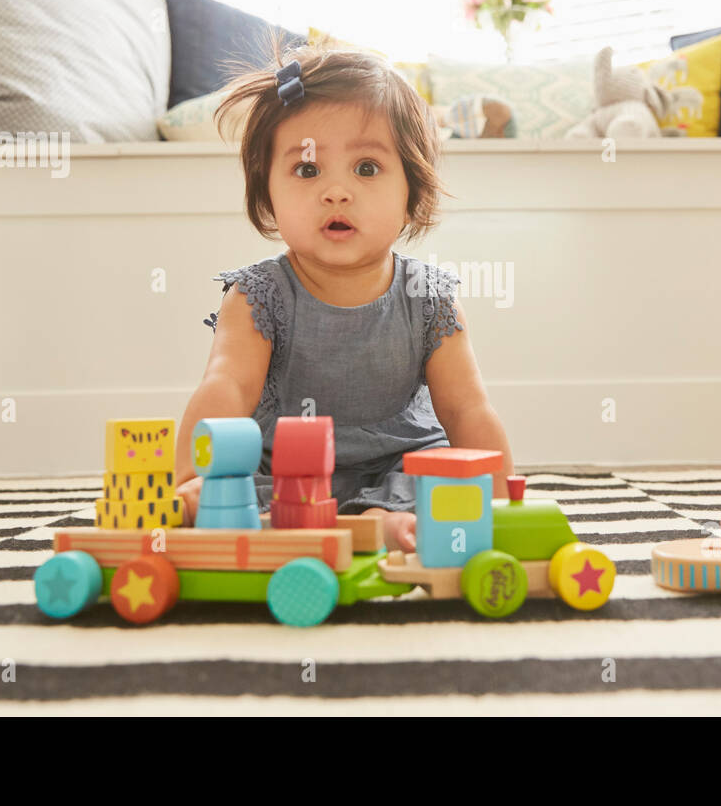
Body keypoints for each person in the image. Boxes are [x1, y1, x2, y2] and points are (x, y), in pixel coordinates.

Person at [174, 33, 514, 552]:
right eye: (306, 169)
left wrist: (499, 500)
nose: (336, 191)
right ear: (267, 193)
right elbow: (225, 390)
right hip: (286, 471)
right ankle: (362, 529)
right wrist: (194, 479)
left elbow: (467, 409)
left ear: (411, 193)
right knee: (235, 495)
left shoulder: (430, 297)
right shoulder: (258, 294)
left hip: (397, 461)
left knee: (440, 479)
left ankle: (382, 519)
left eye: (367, 168)